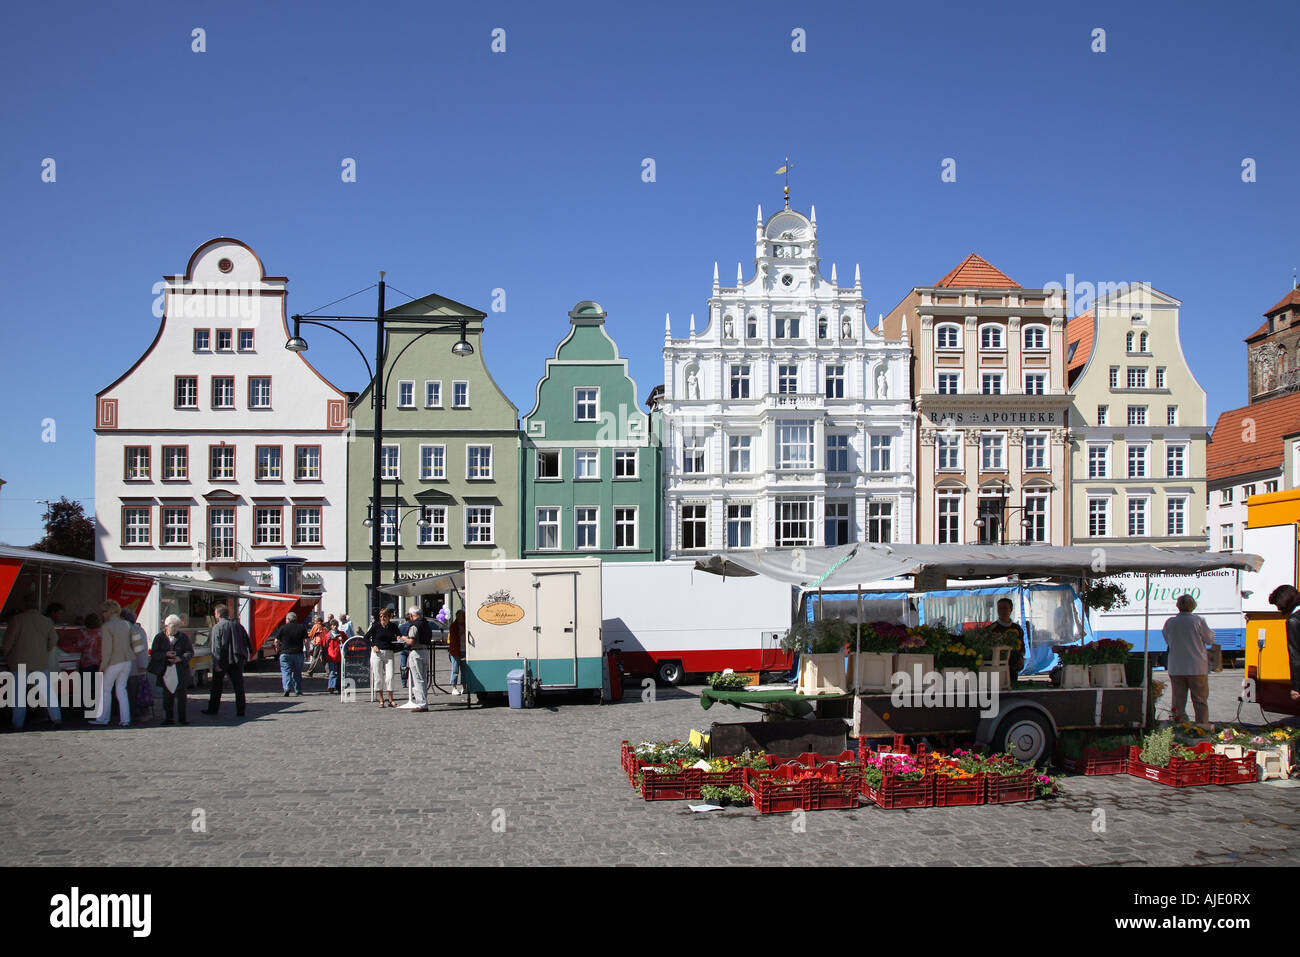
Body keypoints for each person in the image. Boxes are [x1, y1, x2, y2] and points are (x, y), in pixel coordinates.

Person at [2, 596, 62, 730]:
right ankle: (56, 718)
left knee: (19, 694)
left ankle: (18, 723)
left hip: (19, 662)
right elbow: (54, 639)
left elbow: (8, 642)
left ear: (24, 606)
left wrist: (6, 654)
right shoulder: (46, 621)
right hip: (40, 662)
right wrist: (43, 651)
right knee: (47, 692)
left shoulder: (17, 620)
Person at [1162, 593, 1216, 727]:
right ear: (1193, 606)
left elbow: (1167, 640)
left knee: (1178, 701)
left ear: (1178, 606)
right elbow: (1209, 639)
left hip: (1176, 667)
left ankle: (1178, 726)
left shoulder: (1170, 622)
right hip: (1197, 667)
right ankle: (1202, 726)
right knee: (1200, 700)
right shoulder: (1198, 621)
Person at [202, 604, 250, 718]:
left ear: (218, 614)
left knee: (217, 686)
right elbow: (246, 641)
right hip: (236, 659)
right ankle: (241, 710)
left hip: (223, 660)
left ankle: (213, 709)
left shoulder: (218, 627)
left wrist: (216, 663)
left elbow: (216, 647)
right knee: (238, 687)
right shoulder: (237, 625)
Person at [91, 600, 133, 727]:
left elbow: (107, 650)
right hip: (128, 660)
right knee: (121, 690)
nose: (102, 614)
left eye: (104, 611)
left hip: (114, 661)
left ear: (109, 612)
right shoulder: (126, 624)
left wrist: (102, 667)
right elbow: (134, 642)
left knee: (106, 690)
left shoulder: (107, 626)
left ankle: (103, 718)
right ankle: (125, 719)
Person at [149, 614, 194, 725]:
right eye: (173, 626)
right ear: (166, 625)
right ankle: (169, 718)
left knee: (182, 696)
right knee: (167, 696)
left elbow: (189, 652)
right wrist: (165, 654)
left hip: (180, 671)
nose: (175, 629)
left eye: (177, 626)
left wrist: (180, 658)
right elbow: (154, 653)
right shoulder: (159, 637)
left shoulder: (183, 637)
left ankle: (182, 718)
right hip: (166, 670)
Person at [1267, 584, 1300, 703]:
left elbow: (1295, 657)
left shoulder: (1293, 621)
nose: (1277, 609)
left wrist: (1296, 687)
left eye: (1277, 605)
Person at [364, 607, 402, 708]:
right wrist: (373, 645)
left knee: (389, 677)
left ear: (389, 617)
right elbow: (366, 638)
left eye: (384, 616)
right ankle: (381, 700)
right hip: (377, 653)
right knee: (378, 677)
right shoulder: (376, 626)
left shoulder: (393, 626)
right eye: (380, 616)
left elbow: (399, 635)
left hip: (389, 653)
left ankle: (390, 699)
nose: (382, 618)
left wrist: (398, 637)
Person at [402, 607, 434, 712]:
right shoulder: (426, 624)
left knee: (418, 678)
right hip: (425, 651)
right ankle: (423, 702)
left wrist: (403, 638)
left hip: (416, 652)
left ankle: (421, 704)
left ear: (411, 615)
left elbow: (411, 641)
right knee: (424, 678)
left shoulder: (415, 625)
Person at [271, 612, 309, 696]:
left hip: (285, 654)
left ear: (287, 619)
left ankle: (287, 688)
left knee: (286, 672)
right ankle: (297, 690)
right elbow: (306, 641)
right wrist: (308, 652)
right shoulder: (301, 627)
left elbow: (276, 641)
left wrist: (278, 649)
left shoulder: (282, 628)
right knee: (297, 672)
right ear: (295, 619)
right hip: (298, 653)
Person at [988, 597, 1026, 681]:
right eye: (1000, 608)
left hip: (1013, 664)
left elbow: (1022, 645)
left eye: (1005, 608)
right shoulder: (992, 628)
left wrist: (1021, 657)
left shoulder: (1017, 628)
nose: (1002, 611)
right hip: (997, 665)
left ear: (1011, 609)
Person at [447, 609, 466, 696]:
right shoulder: (453, 626)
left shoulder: (467, 625)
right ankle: (454, 687)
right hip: (455, 651)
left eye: (462, 616)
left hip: (465, 649)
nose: (461, 618)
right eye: (460, 616)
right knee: (455, 670)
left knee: (465, 670)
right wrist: (461, 632)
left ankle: (464, 687)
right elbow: (453, 639)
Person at [324, 621, 343, 695]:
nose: (335, 626)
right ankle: (331, 686)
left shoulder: (341, 634)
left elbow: (347, 642)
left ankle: (338, 687)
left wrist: (342, 640)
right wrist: (325, 655)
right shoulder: (328, 635)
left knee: (339, 672)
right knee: (332, 671)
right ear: (331, 626)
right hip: (331, 656)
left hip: (340, 656)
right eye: (333, 625)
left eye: (336, 625)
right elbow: (325, 646)